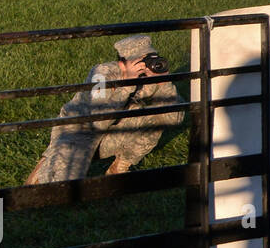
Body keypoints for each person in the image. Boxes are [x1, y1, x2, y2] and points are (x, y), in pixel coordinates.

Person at [26, 35, 184, 184]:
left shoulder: (150, 78)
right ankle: (49, 162)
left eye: (149, 59)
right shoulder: (101, 74)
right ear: (123, 62)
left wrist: (164, 83)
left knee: (154, 119)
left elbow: (174, 119)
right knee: (59, 191)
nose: (145, 66)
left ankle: (119, 168)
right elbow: (97, 122)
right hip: (78, 133)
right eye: (140, 61)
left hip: (112, 132)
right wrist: (127, 84)